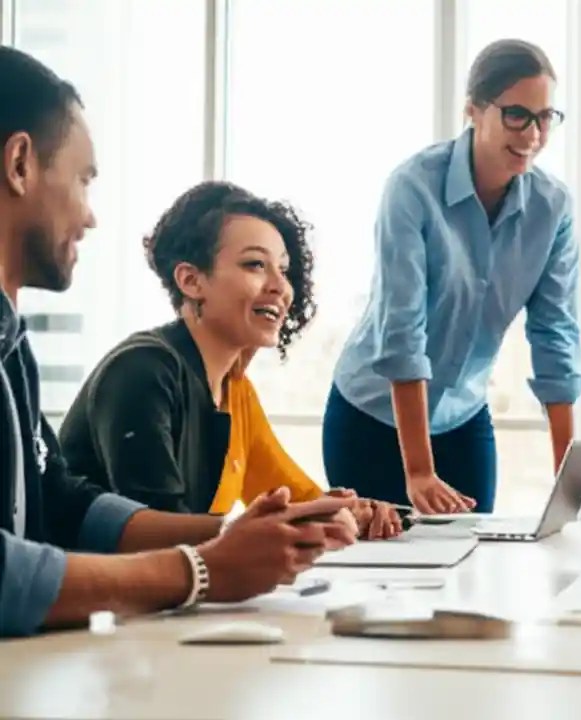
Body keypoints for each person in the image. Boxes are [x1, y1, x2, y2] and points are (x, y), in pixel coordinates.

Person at [0, 47, 356, 637]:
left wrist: (233, 536)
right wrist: (200, 570)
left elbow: (59, 500)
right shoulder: (145, 369)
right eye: (84, 180)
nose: (90, 217)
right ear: (19, 164)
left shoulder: (12, 347)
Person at [323, 39, 581, 515]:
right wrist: (419, 471)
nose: (533, 134)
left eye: (545, 117)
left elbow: (556, 338)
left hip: (462, 415)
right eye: (517, 115)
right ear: (473, 109)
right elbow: (403, 331)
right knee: (381, 557)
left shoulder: (552, 208)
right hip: (371, 417)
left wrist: (568, 484)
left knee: (475, 554)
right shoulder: (412, 188)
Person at [58, 181, 402, 541]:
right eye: (255, 265)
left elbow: (296, 499)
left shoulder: (234, 390)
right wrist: (310, 520)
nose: (280, 287)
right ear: (191, 280)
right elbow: (159, 531)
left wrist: (348, 512)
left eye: (283, 270)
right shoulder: (141, 372)